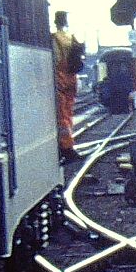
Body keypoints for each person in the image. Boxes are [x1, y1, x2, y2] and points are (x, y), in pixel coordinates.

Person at [51, 11, 83, 163]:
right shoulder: (72, 37)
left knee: (62, 115)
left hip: (61, 79)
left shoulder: (56, 38)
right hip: (72, 79)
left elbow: (56, 60)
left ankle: (67, 147)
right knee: (69, 114)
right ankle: (68, 144)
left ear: (55, 21)